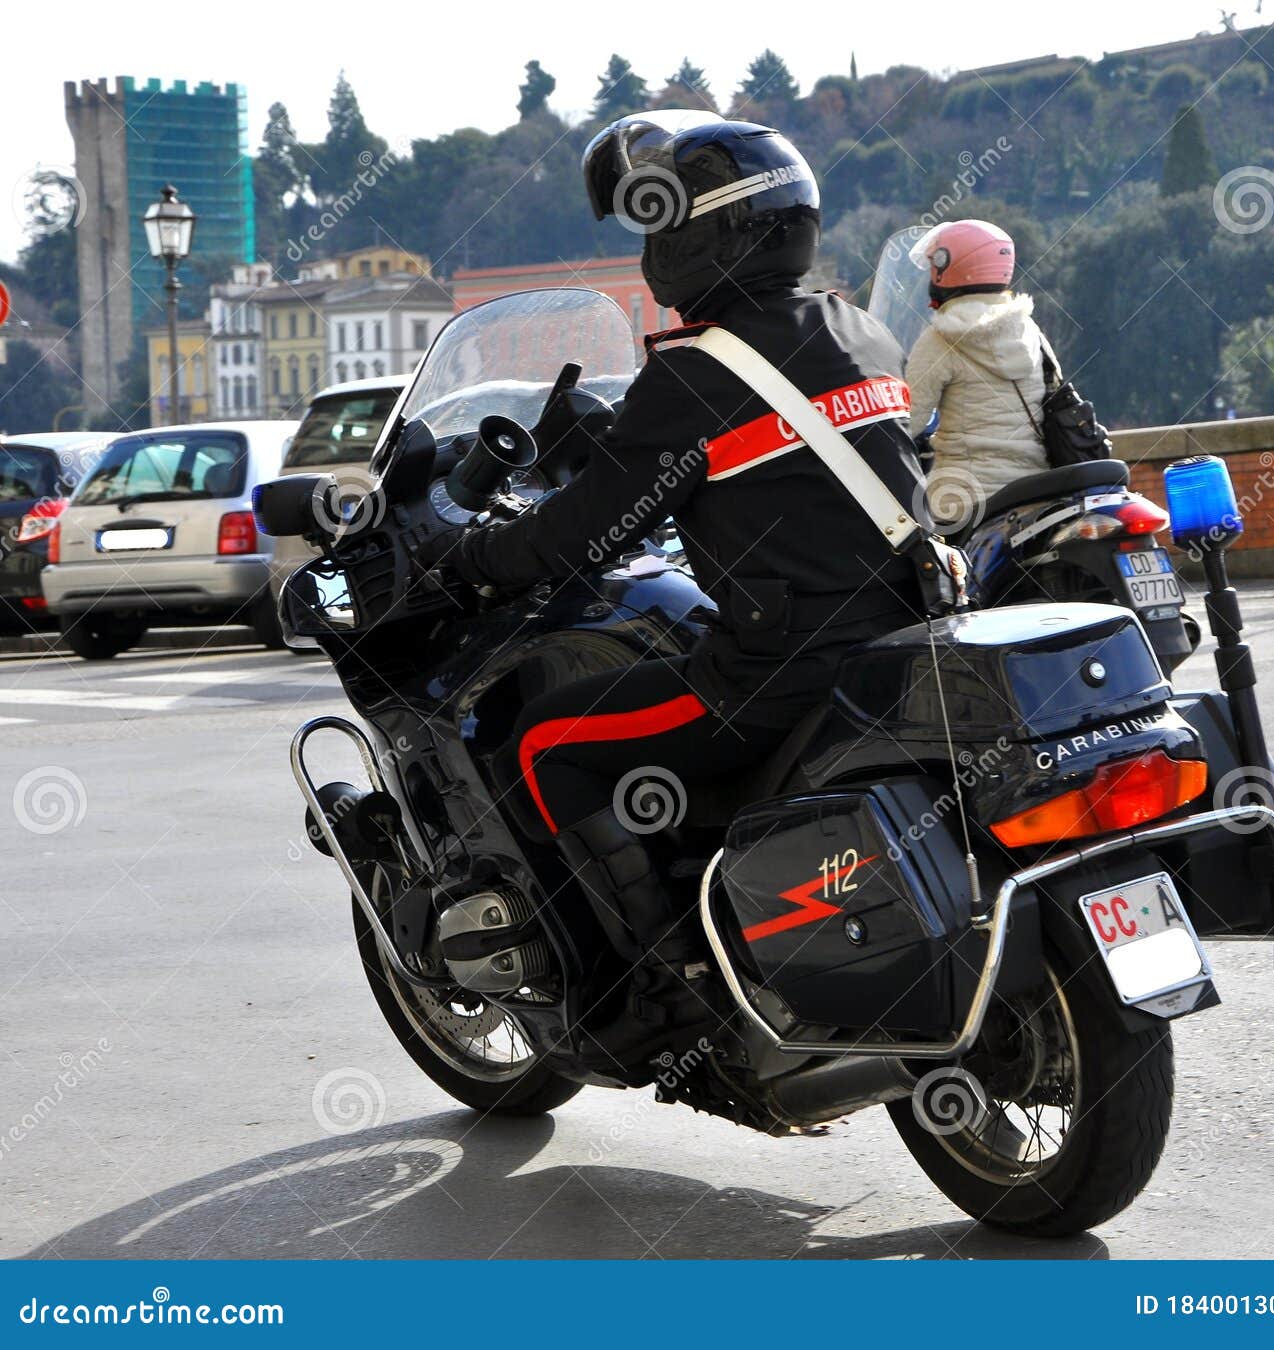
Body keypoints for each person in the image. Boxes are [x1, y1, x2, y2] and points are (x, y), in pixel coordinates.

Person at [424, 111, 926, 999]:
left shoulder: (696, 373)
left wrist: (470, 560)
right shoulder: (859, 332)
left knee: (544, 745)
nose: (654, 248)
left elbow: (580, 536)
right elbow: (780, 468)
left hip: (781, 673)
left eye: (660, 224)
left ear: (702, 235)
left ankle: (660, 973)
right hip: (901, 637)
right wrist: (625, 444)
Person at [905, 219, 1055, 514]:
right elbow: (1055, 390)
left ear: (946, 268)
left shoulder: (941, 338)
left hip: (962, 501)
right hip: (1037, 494)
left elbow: (907, 421)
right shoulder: (1028, 328)